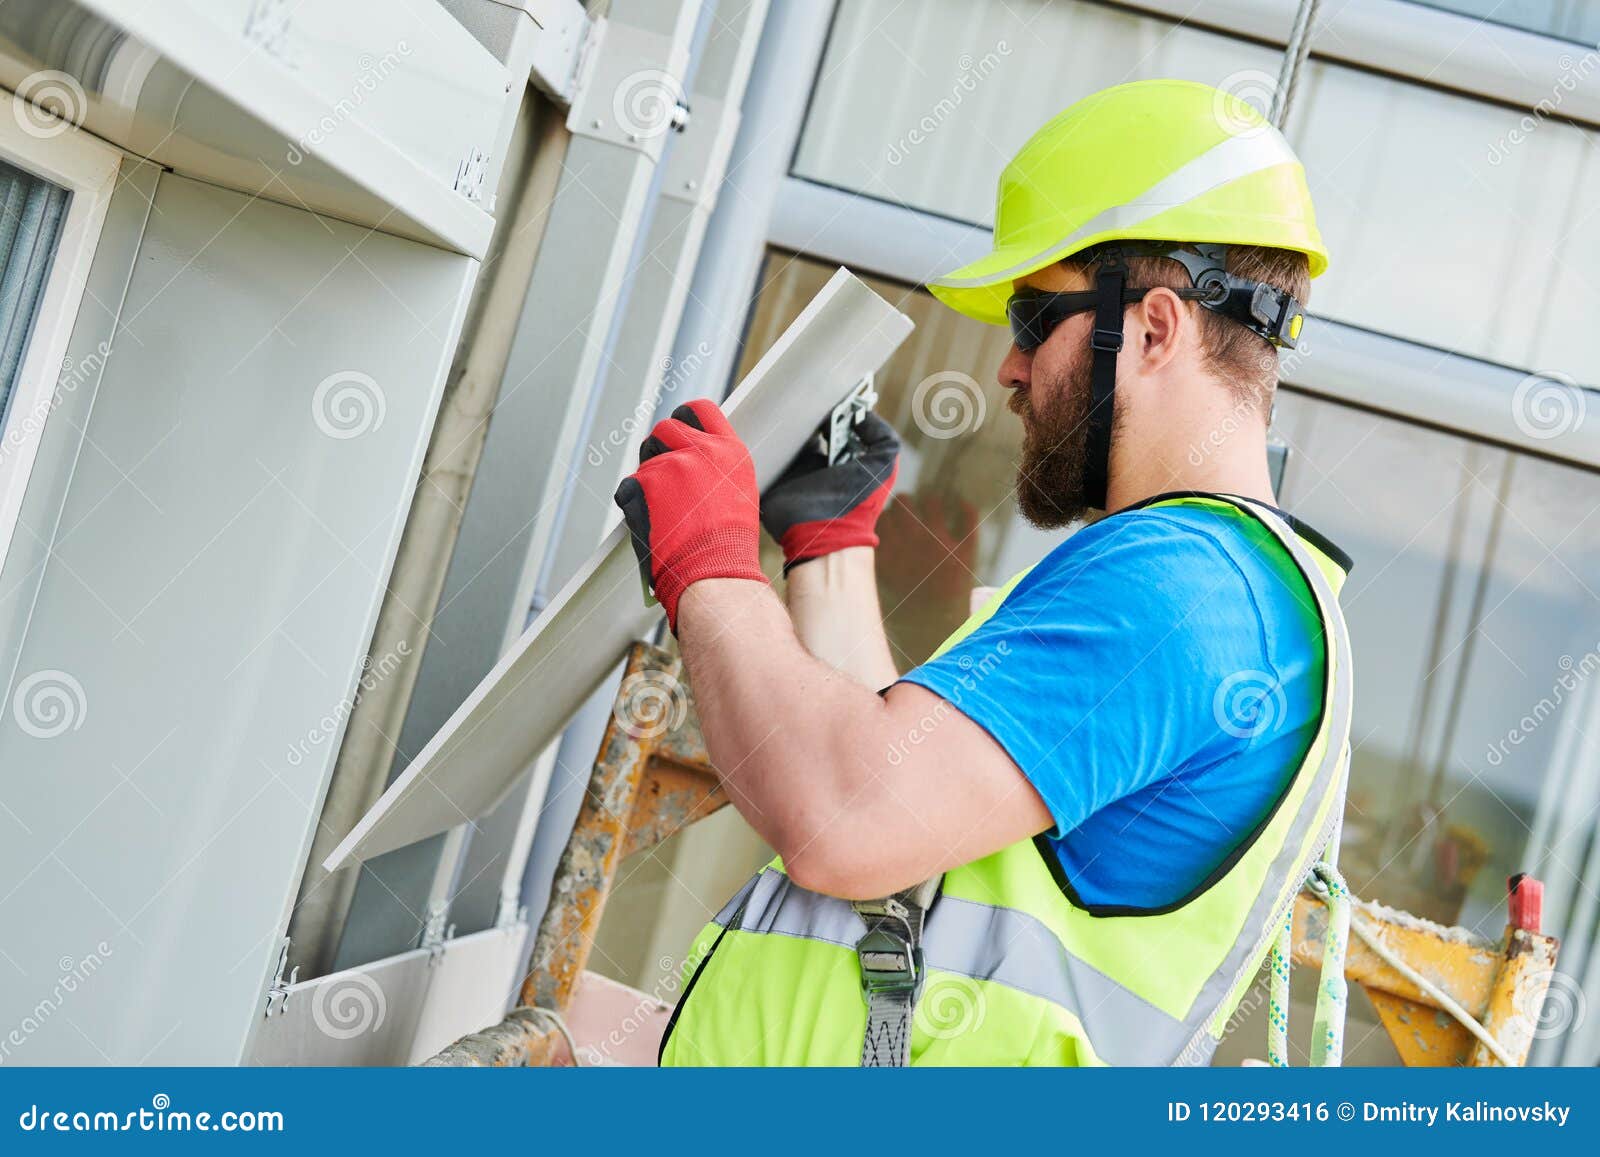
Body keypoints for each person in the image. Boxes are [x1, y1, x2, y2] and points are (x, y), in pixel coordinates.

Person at [614, 79, 1354, 1067]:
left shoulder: (1181, 591)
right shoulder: (1218, 586)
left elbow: (847, 819)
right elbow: (912, 803)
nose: (1008, 368)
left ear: (1154, 328)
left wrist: (705, 565)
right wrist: (826, 548)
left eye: (1030, 317)